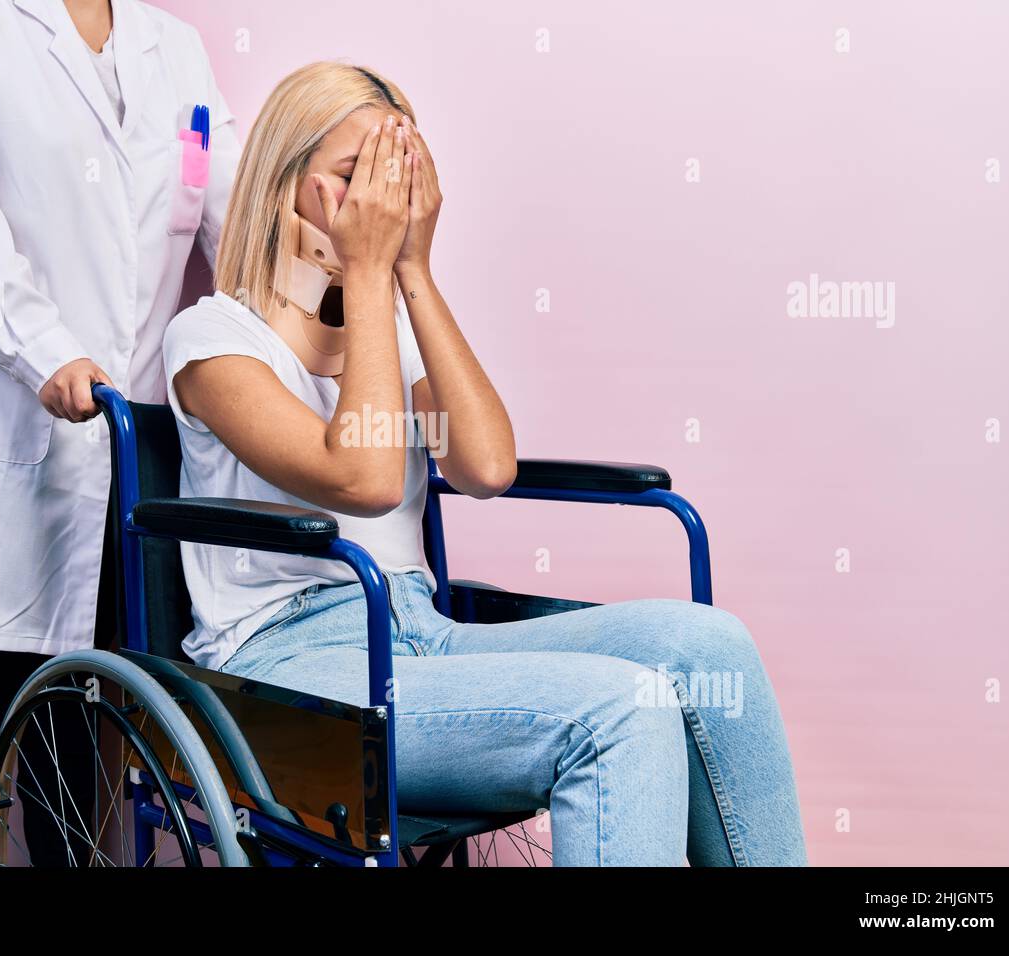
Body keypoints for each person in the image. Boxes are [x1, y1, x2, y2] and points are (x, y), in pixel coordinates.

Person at [162, 61, 807, 865]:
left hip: (420, 631)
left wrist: (412, 273)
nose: (377, 203)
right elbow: (361, 481)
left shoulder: (384, 336)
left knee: (714, 648)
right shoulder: (213, 337)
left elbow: (486, 467)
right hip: (290, 669)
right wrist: (365, 272)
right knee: (621, 709)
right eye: (352, 176)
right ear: (282, 182)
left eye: (393, 180)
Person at [0, 0, 240, 865]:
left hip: (134, 443)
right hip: (0, 413)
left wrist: (317, 304)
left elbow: (232, 205)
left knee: (90, 695)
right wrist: (47, 355)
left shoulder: (176, 51)